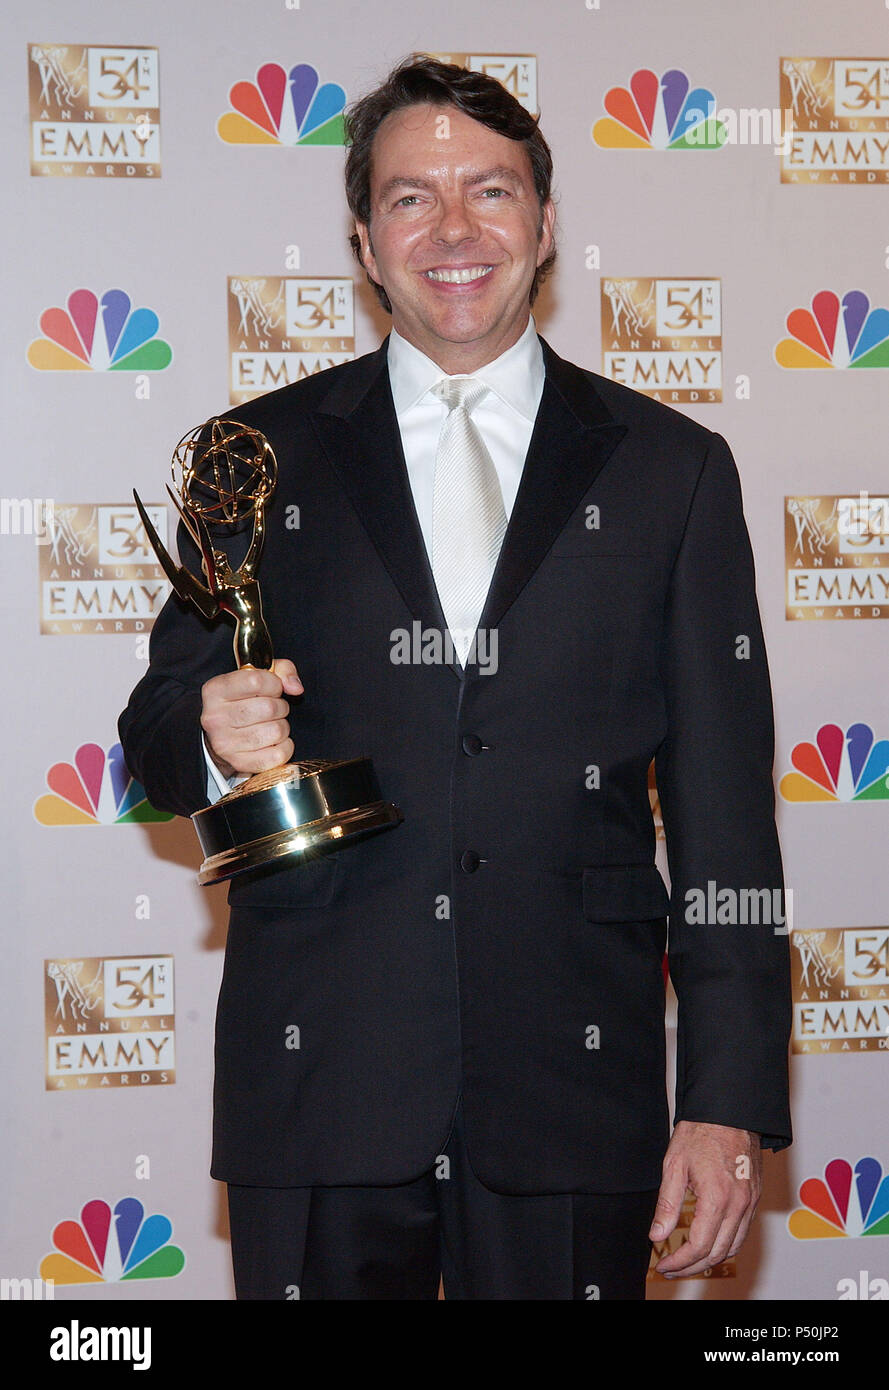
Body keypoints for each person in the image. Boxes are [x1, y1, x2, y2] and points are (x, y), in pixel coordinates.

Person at [119, 55, 792, 1301]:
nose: (453, 229)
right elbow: (155, 724)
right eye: (410, 199)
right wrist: (212, 736)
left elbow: (726, 822)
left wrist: (726, 1100)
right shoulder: (252, 457)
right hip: (321, 1077)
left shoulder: (673, 470)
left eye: (489, 190)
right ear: (366, 246)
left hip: (571, 1090)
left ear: (542, 224)